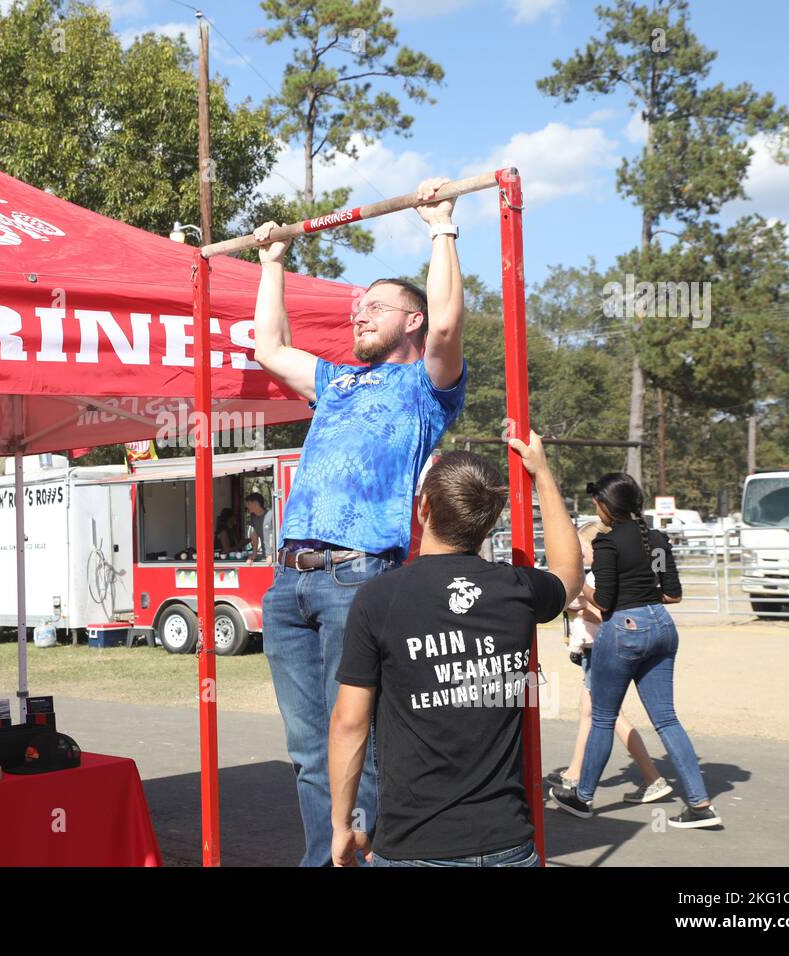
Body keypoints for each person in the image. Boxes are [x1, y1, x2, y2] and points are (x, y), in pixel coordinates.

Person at [253, 176, 467, 866]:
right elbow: (267, 346)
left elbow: (446, 325)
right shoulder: (337, 382)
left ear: (408, 320)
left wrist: (440, 229)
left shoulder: (426, 387)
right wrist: (273, 264)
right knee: (308, 750)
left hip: (357, 575)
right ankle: (329, 858)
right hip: (289, 583)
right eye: (357, 308)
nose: (358, 315)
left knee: (359, 739)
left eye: (375, 307)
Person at [329, 437, 581, 867]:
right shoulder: (515, 589)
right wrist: (541, 473)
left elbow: (350, 722)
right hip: (507, 844)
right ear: (490, 524)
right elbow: (570, 572)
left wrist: (341, 825)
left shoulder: (379, 598)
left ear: (423, 507)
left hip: (414, 847)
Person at [549, 473, 721, 829]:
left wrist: (579, 584)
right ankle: (700, 805)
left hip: (625, 629)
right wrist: (642, 599)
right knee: (667, 719)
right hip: (662, 626)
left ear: (605, 508)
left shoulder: (607, 543)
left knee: (602, 717)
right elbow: (673, 594)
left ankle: (581, 797)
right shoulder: (657, 538)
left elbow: (607, 601)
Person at [545, 520, 671, 802]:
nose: (580, 554)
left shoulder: (601, 577)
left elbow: (606, 613)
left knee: (609, 717)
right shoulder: (600, 575)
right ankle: (575, 773)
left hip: (600, 650)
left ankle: (652, 777)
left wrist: (581, 607)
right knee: (588, 711)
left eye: (583, 549)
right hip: (595, 652)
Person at [244, 492, 274, 564]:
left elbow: (276, 536)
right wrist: (254, 554)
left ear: (255, 503)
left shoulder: (271, 515)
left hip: (273, 557)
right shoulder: (253, 517)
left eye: (248, 504)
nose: (247, 506)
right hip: (265, 557)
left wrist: (272, 555)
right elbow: (254, 537)